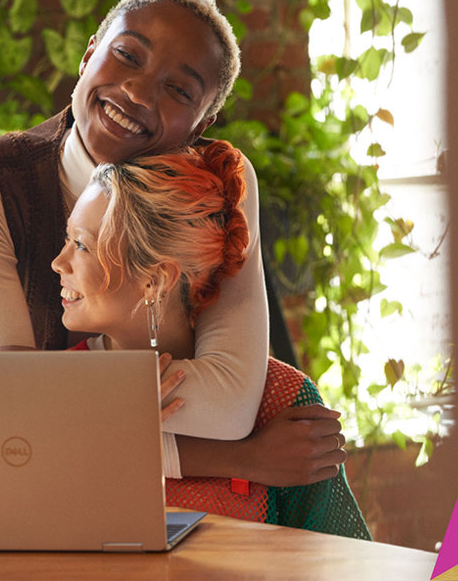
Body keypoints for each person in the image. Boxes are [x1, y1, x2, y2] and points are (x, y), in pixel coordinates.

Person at [0, 0, 344, 486]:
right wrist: (239, 459)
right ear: (88, 56)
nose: (137, 91)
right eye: (128, 55)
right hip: (42, 498)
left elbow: (228, 402)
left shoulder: (220, 184)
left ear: (202, 124)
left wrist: (58, 402)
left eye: (178, 90)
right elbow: (7, 407)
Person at [52, 139, 370, 539]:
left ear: (155, 280)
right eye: (69, 240)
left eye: (81, 245)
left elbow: (348, 564)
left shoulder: (282, 401)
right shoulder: (55, 390)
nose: (58, 262)